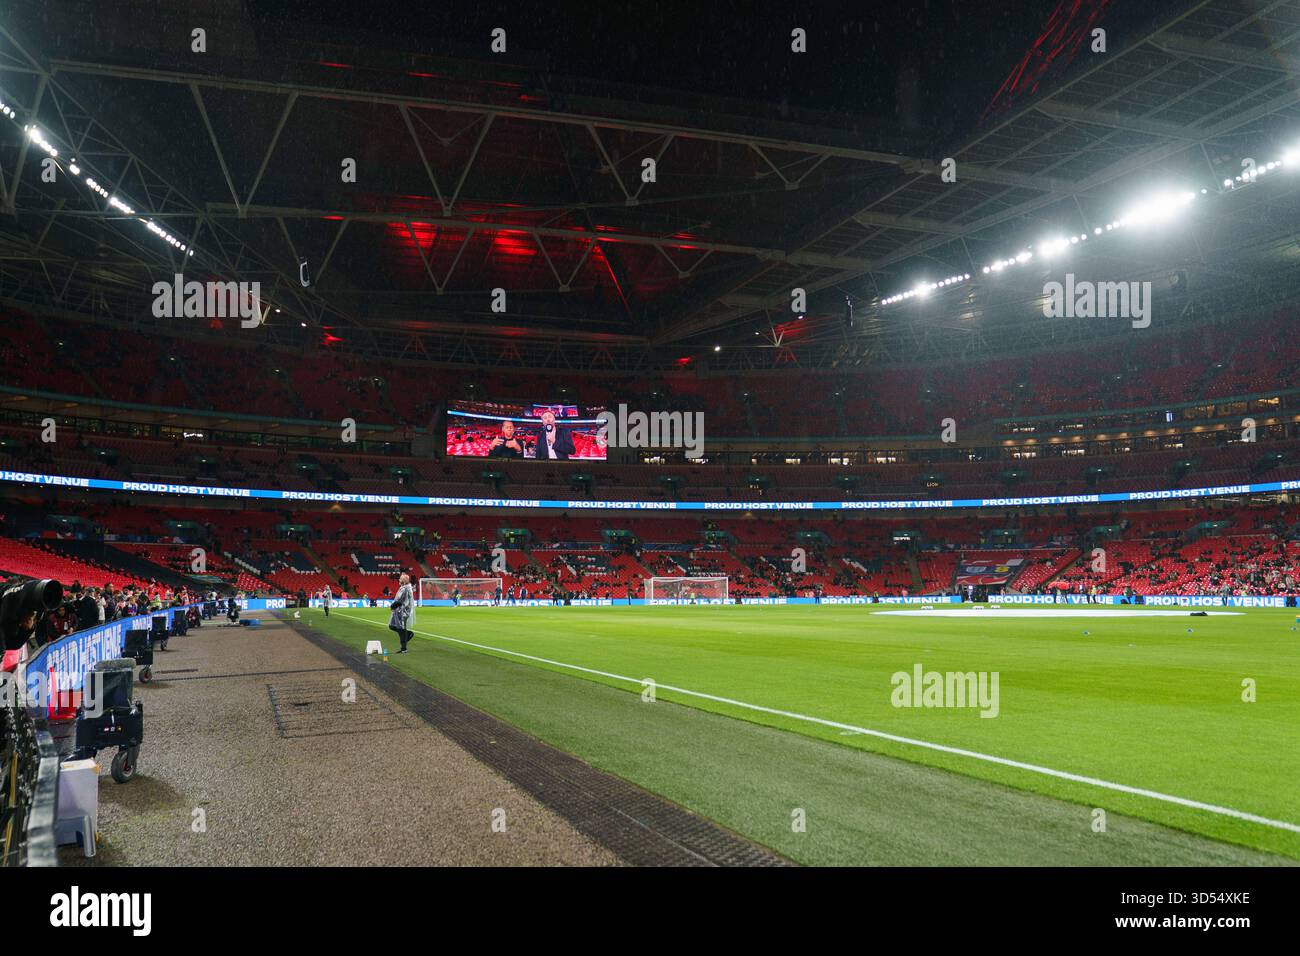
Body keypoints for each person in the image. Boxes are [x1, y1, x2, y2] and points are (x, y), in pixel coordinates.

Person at [389, 572, 415, 654]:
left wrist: (392, 606)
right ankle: (408, 634)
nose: (399, 580)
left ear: (403, 581)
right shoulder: (405, 588)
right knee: (392, 626)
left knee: (401, 629)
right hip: (400, 610)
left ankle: (404, 648)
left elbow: (400, 600)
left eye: (400, 579)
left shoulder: (405, 589)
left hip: (402, 611)